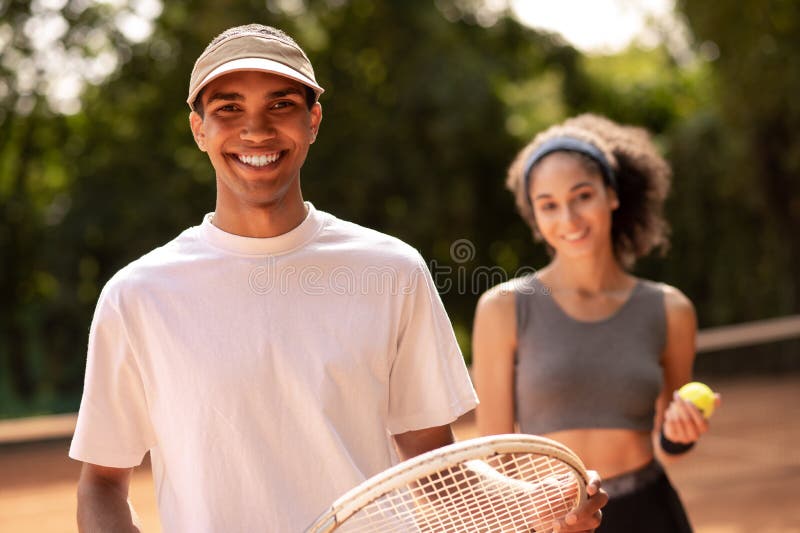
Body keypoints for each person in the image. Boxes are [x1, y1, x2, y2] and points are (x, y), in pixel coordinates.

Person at [70, 25, 607, 532]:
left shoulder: (392, 270)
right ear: (199, 130)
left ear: (313, 121)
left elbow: (432, 464)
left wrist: (539, 502)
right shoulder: (136, 296)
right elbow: (102, 482)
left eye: (280, 105)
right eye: (228, 109)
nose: (255, 129)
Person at [473, 114, 718, 532]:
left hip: (651, 513)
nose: (568, 218)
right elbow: (497, 453)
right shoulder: (503, 308)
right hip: (554, 521)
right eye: (548, 204)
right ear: (534, 215)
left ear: (612, 195)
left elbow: (669, 446)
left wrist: (682, 433)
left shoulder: (671, 309)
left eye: (582, 195)